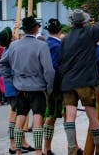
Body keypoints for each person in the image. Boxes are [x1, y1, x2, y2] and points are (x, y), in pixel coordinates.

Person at [57, 7, 99, 155]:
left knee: (70, 115)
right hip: (85, 80)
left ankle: (72, 147)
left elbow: (60, 61)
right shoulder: (89, 33)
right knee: (92, 114)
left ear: (71, 23)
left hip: (67, 82)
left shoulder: (65, 40)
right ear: (84, 21)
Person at [0, 16, 56, 155]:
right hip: (37, 86)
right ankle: (38, 151)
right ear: (36, 28)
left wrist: (10, 79)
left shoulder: (14, 45)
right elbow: (48, 70)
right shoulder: (41, 45)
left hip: (20, 86)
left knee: (20, 116)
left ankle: (17, 150)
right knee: (38, 117)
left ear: (24, 30)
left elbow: (2, 64)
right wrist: (49, 87)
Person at [0, 28, 34, 155]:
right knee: (16, 115)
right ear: (11, 39)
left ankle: (22, 142)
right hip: (14, 87)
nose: (15, 36)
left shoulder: (10, 49)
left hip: (14, 86)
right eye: (13, 35)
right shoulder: (11, 51)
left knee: (20, 113)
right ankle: (13, 144)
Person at [43, 18, 65, 155]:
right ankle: (46, 148)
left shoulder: (45, 44)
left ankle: (46, 148)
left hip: (46, 84)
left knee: (51, 115)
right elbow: (57, 67)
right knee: (53, 115)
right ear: (60, 30)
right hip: (57, 85)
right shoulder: (58, 46)